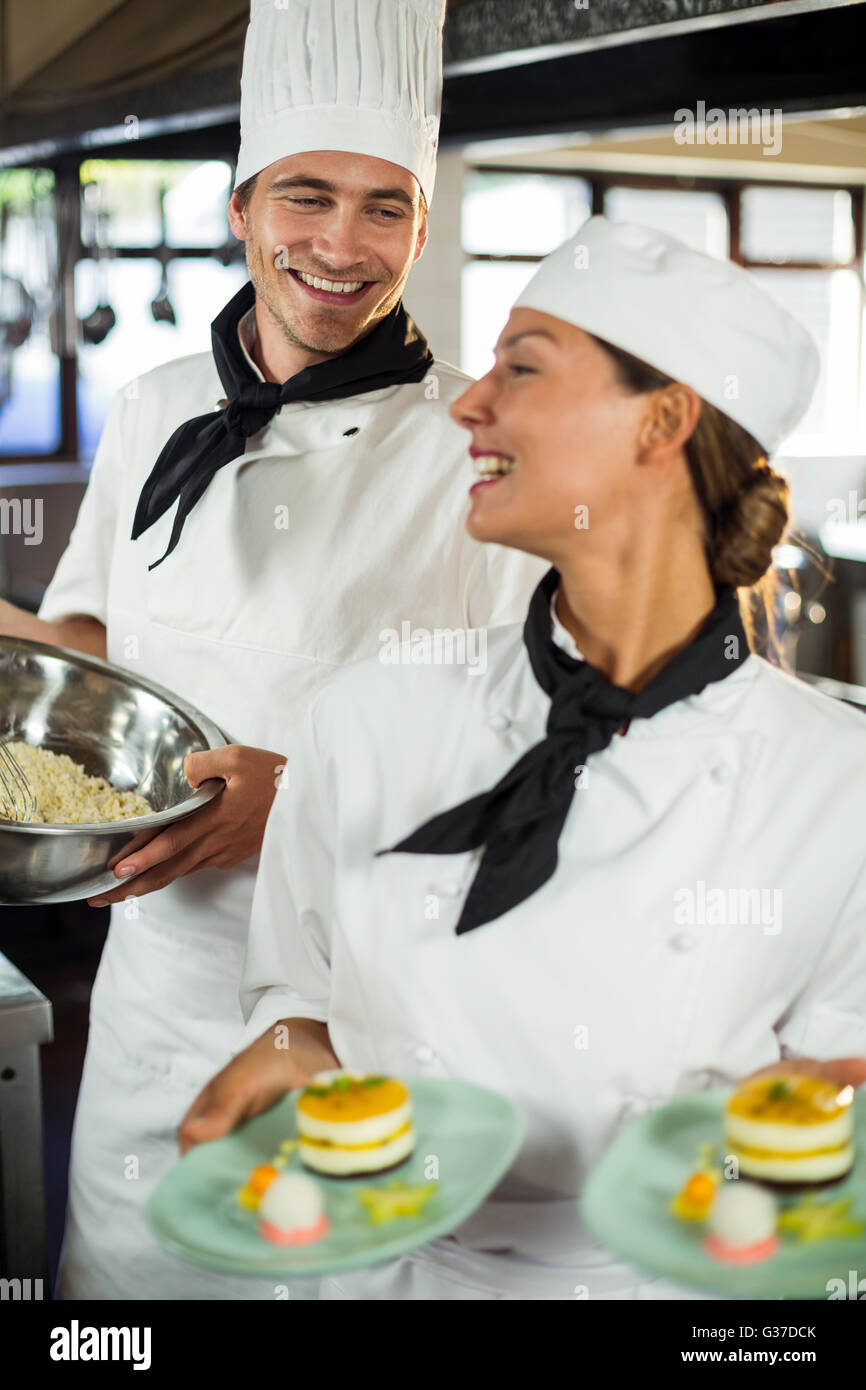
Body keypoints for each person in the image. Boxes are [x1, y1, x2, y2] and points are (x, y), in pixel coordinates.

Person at [182, 217, 866, 1300]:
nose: (468, 399)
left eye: (522, 366)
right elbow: (294, 985)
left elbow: (827, 1128)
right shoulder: (361, 718)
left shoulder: (838, 783)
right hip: (385, 1277)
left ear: (661, 421)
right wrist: (295, 1042)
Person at [0, 0, 541, 1299]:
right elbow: (92, 642)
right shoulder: (153, 408)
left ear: (421, 222)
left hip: (359, 1019)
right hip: (152, 997)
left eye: (384, 207)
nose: (342, 247)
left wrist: (291, 800)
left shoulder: (475, 442)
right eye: (307, 196)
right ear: (242, 207)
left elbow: (544, 750)